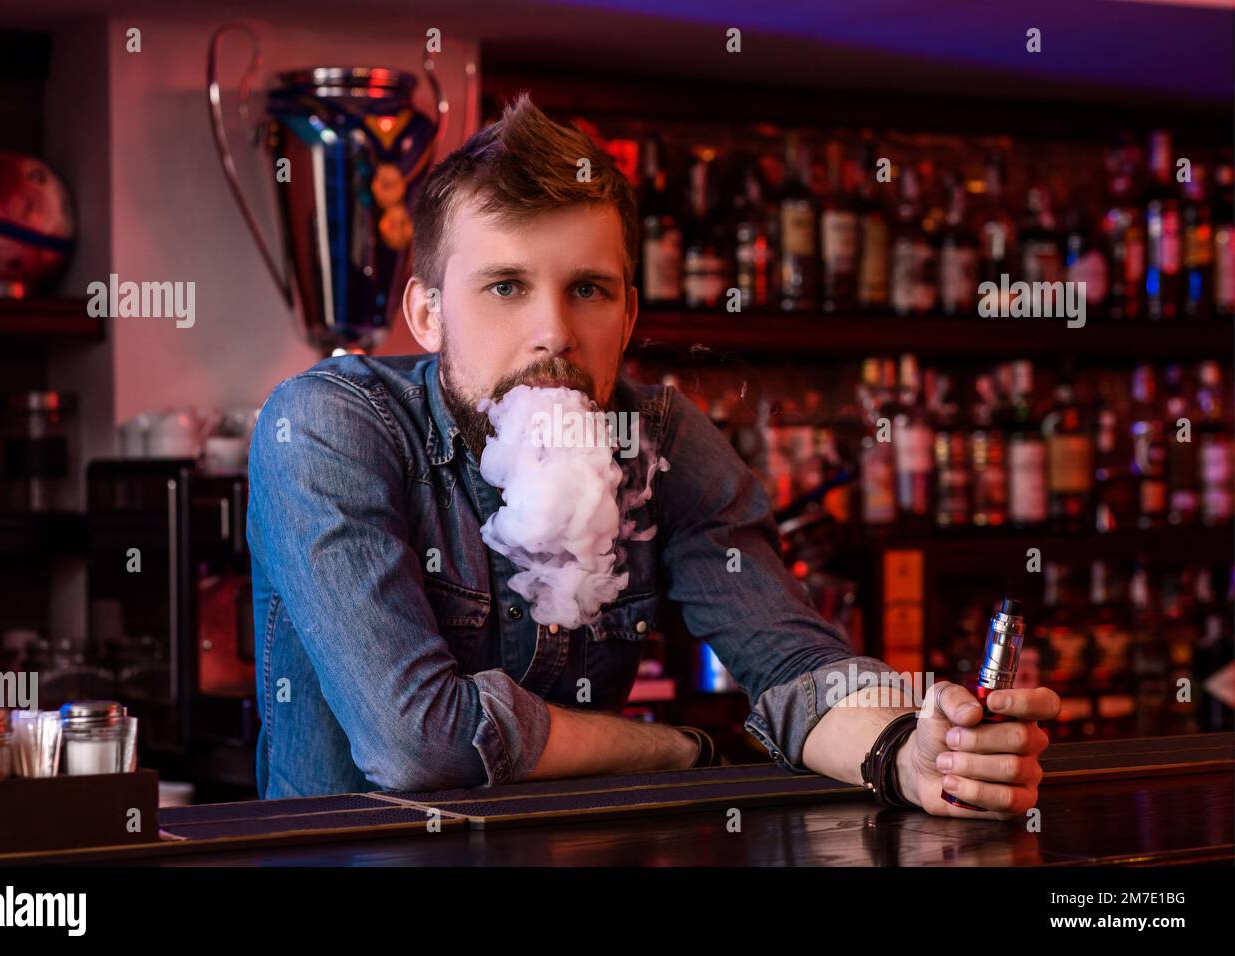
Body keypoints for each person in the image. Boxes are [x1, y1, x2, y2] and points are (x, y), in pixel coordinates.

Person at [246, 94, 1059, 817]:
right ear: (426, 313)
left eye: (588, 290)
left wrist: (910, 753)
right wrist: (677, 749)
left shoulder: (661, 439)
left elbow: (795, 666)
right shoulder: (325, 425)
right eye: (505, 287)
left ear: (629, 316)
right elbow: (415, 745)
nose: (554, 333)